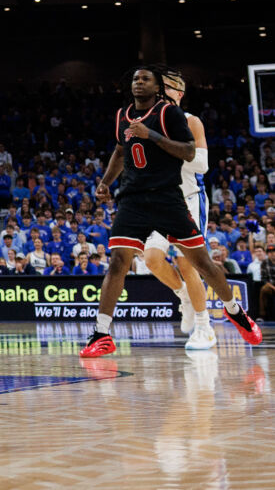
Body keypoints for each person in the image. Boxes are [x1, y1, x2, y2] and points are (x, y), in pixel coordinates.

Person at [81, 66, 261, 357]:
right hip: (137, 199)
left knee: (194, 263)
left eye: (153, 81)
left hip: (182, 196)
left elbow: (198, 161)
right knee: (143, 259)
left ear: (172, 91)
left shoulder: (185, 119)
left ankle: (209, 322)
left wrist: (155, 140)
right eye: (137, 79)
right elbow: (121, 150)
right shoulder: (126, 116)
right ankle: (113, 328)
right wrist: (105, 182)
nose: (142, 83)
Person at [134, 71, 214, 349]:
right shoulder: (147, 122)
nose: (161, 91)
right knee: (151, 259)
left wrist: (165, 147)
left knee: (187, 263)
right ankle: (184, 296)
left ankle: (204, 327)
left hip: (188, 200)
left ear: (179, 94)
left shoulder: (191, 121)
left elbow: (202, 165)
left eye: (168, 87)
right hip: (159, 200)